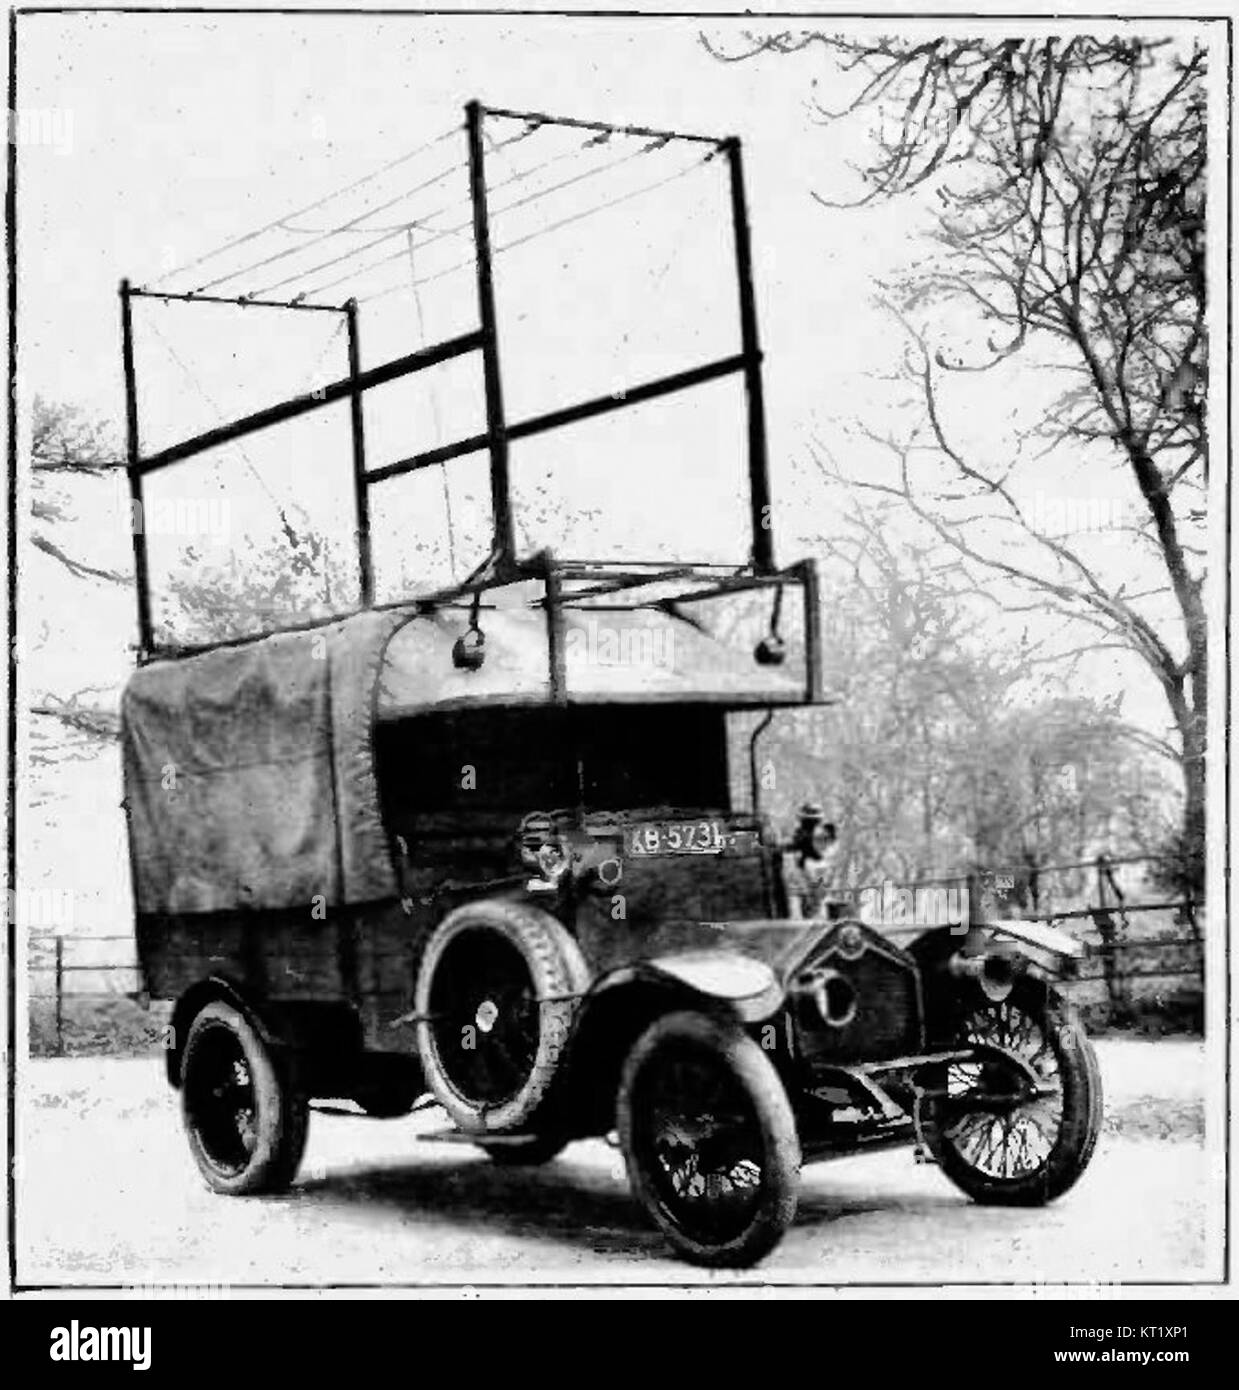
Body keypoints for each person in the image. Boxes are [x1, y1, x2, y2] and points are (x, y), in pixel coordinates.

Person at [784, 803, 843, 919]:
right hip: (806, 873)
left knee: (816, 903)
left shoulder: (819, 836)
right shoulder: (802, 838)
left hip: (813, 872)